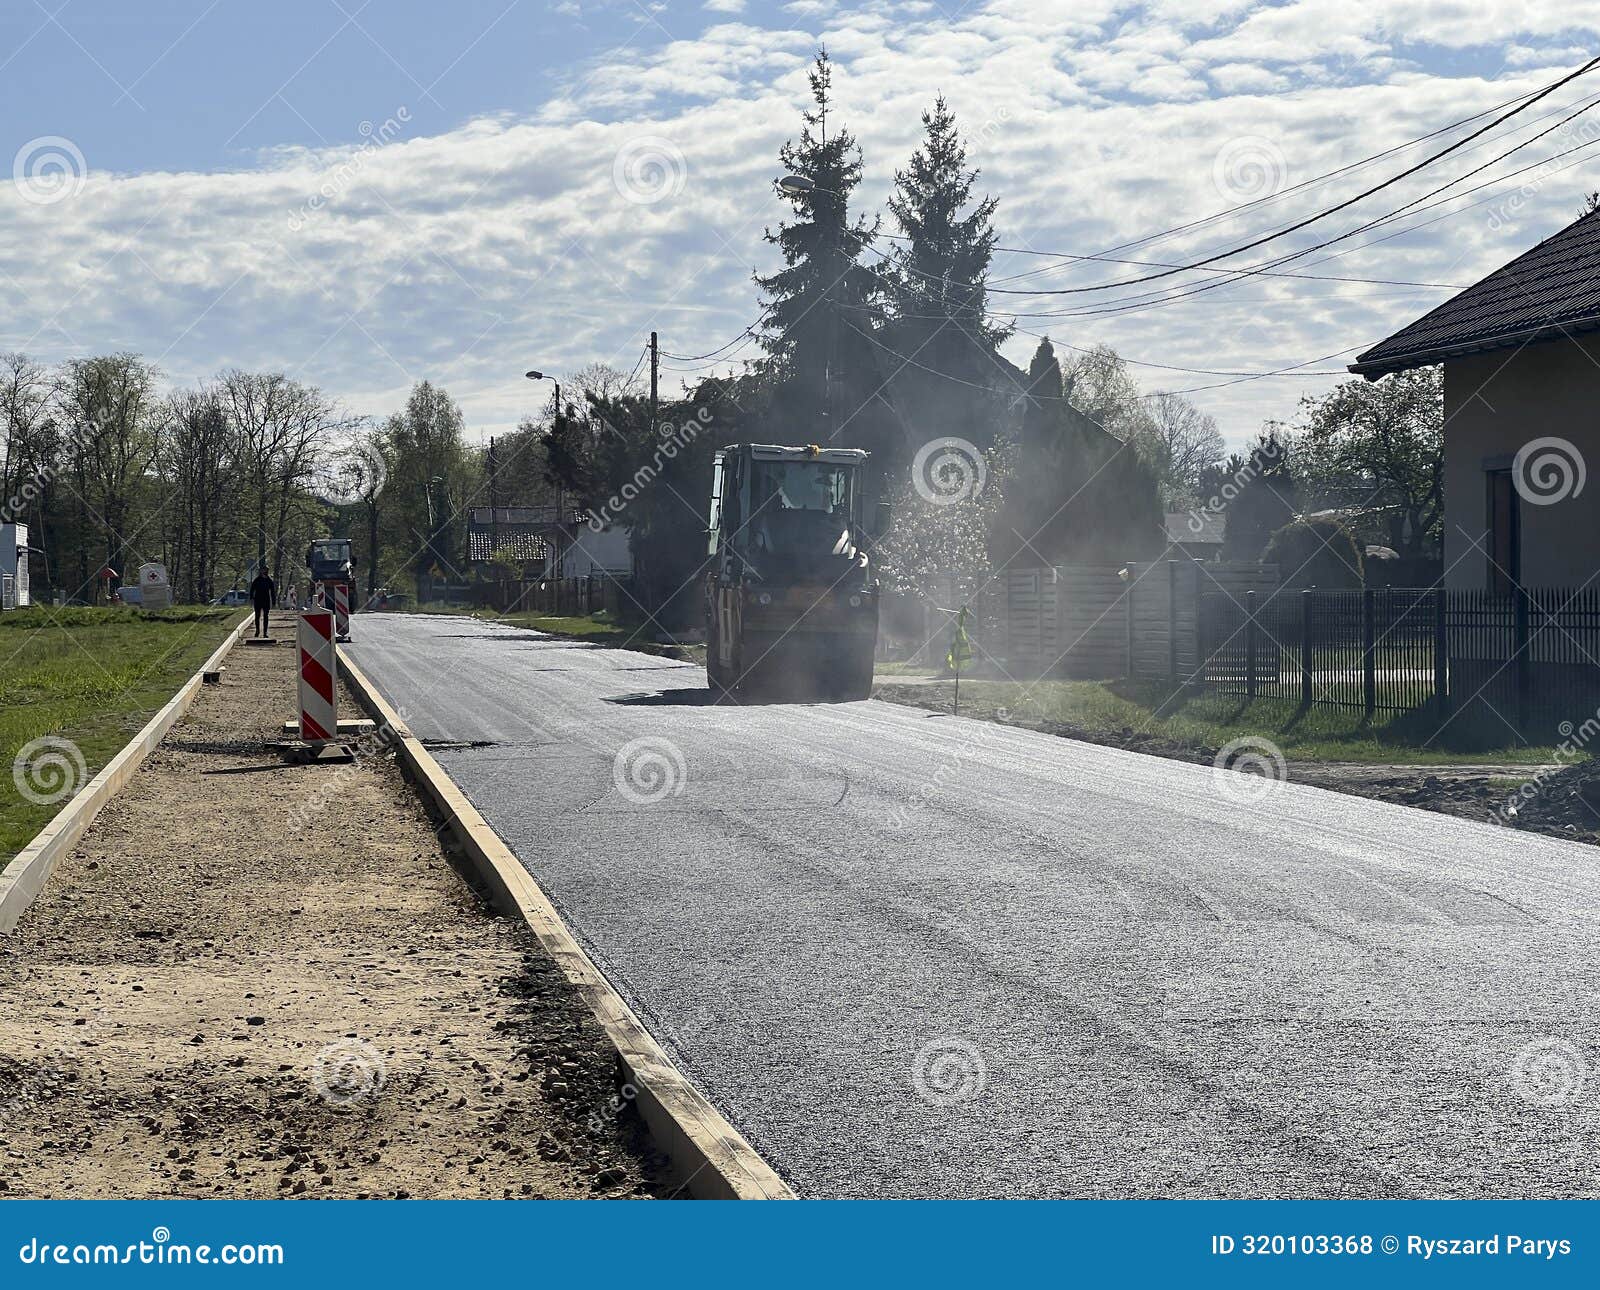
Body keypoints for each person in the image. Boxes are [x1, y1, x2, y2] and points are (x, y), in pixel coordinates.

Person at [250, 568, 276, 638]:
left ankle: (265, 632)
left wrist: (273, 602)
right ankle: (257, 631)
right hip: (257, 600)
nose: (265, 573)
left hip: (266, 600)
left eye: (266, 571)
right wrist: (251, 598)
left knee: (266, 616)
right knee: (257, 616)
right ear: (261, 572)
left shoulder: (269, 581)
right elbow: (252, 589)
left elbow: (273, 592)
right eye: (264, 571)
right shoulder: (257, 580)